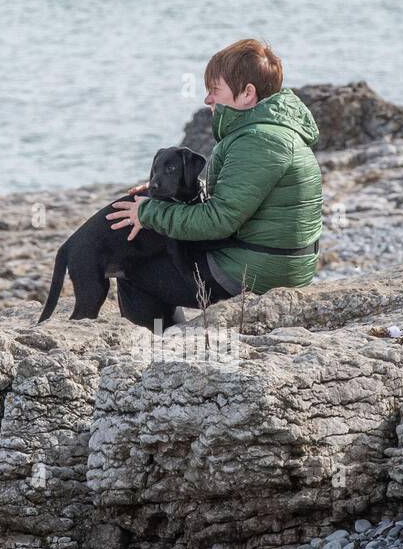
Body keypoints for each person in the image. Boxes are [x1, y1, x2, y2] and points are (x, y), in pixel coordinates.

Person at [106, 39, 323, 331]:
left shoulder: (260, 141)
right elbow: (231, 198)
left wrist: (148, 213)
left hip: (257, 273)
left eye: (214, 90)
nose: (208, 99)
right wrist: (162, 190)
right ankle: (172, 336)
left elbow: (219, 219)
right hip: (270, 259)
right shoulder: (266, 132)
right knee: (155, 244)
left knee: (133, 270)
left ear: (247, 93)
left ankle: (165, 349)